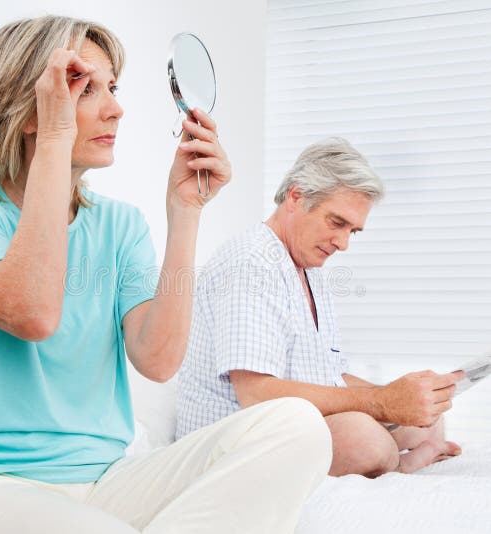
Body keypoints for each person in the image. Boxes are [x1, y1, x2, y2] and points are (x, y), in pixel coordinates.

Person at [0, 16, 332, 534]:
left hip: (99, 483)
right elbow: (34, 312)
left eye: (112, 86)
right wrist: (53, 136)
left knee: (297, 427)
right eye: (85, 88)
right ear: (29, 109)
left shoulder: (118, 224)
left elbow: (158, 361)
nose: (116, 107)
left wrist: (185, 212)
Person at [175, 137, 465, 478]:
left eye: (352, 232)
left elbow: (331, 377)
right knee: (366, 441)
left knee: (426, 422)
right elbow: (256, 394)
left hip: (289, 428)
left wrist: (402, 396)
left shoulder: (309, 268)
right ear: (296, 197)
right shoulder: (250, 262)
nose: (342, 243)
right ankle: (402, 465)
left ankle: (404, 453)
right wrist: (381, 402)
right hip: (232, 445)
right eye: (337, 223)